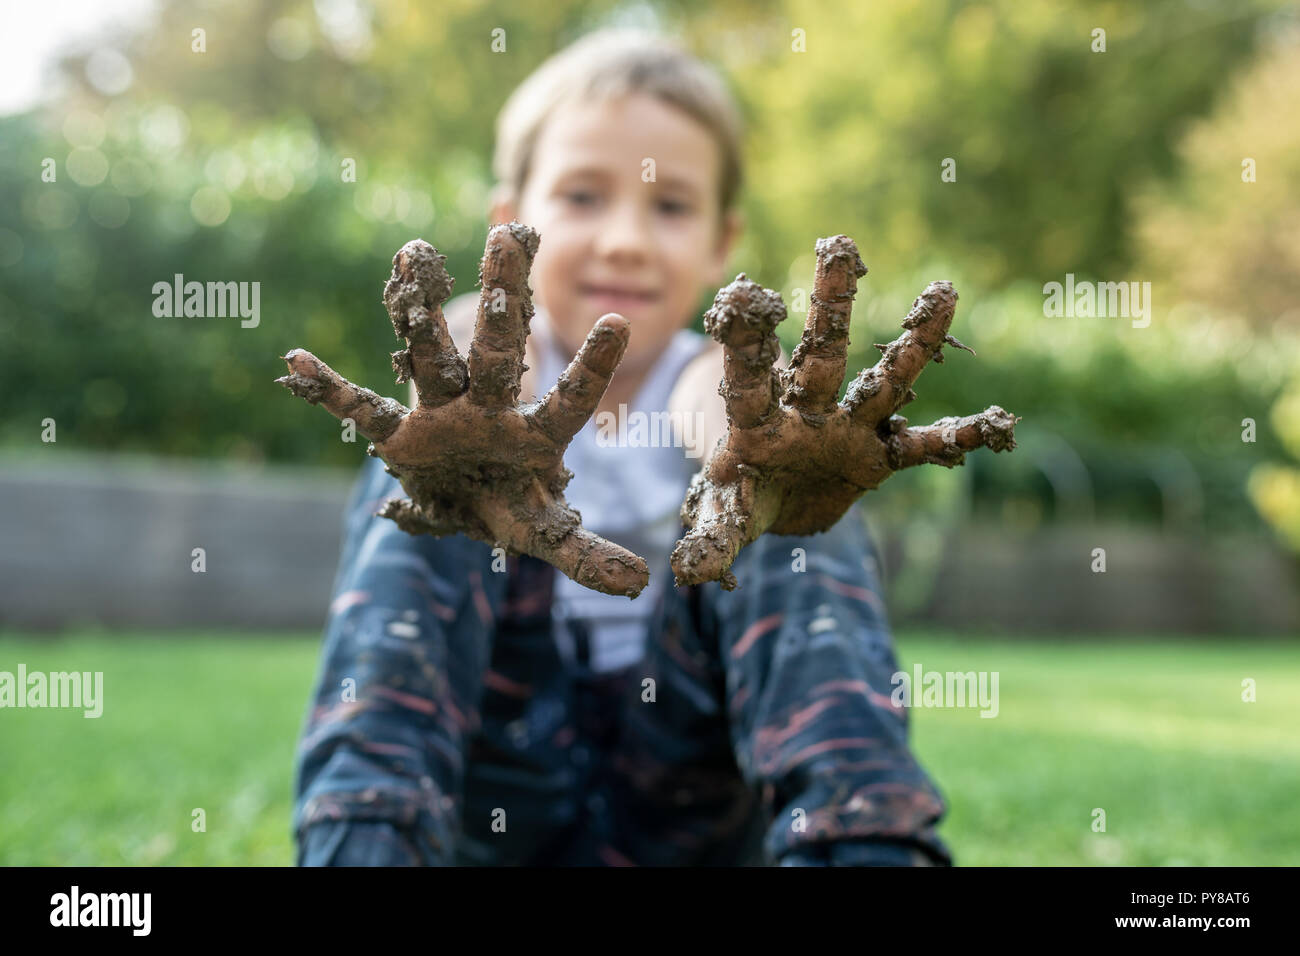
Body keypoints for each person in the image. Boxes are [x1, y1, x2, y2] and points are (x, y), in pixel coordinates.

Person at [292, 28, 953, 866]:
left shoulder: (717, 376)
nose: (628, 240)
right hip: (504, 782)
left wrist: (745, 452)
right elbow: (476, 340)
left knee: (783, 484)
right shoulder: (489, 375)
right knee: (438, 477)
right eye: (582, 195)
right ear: (511, 223)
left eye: (671, 206)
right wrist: (483, 378)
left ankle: (862, 837)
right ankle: (366, 837)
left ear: (721, 241)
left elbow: (711, 396)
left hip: (686, 799)